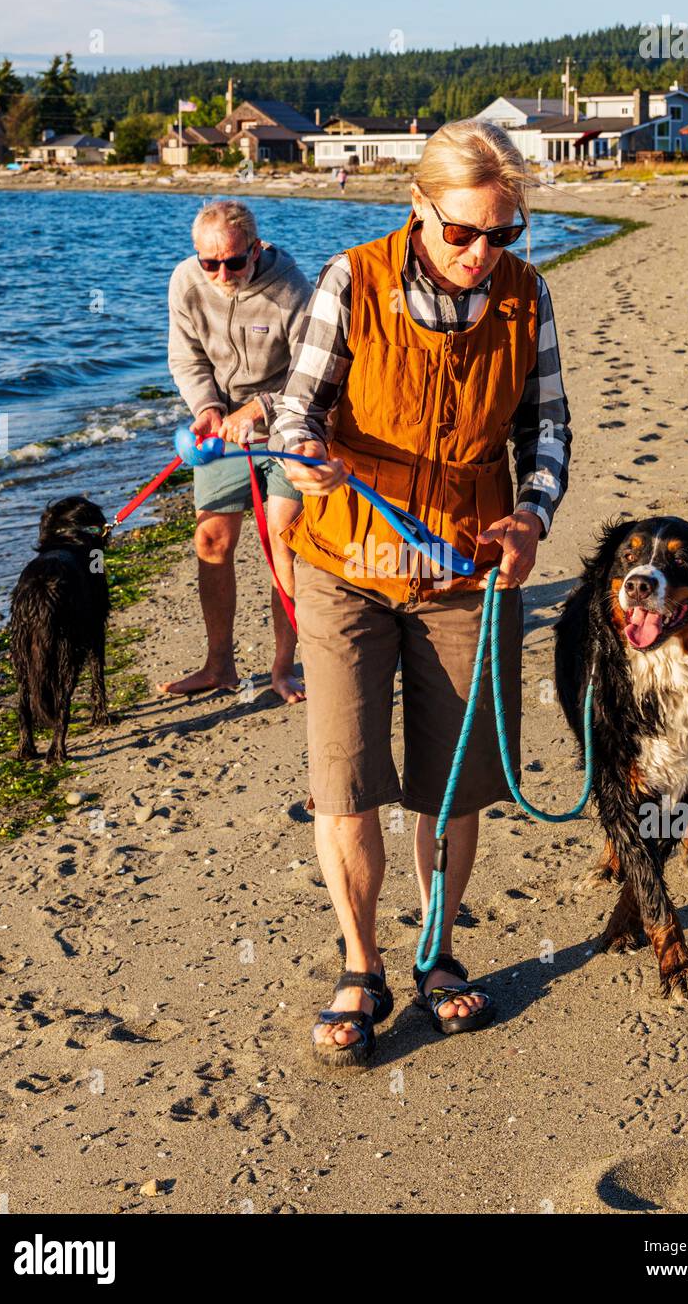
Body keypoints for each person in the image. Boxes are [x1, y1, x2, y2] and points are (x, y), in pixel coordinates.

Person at [270, 118, 572, 1065]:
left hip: (465, 571)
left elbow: (548, 431)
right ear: (418, 208)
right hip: (346, 567)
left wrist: (530, 517)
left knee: (452, 787)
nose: (483, 254)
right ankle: (362, 966)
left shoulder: (527, 298)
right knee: (346, 781)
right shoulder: (348, 282)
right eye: (463, 233)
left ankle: (438, 952)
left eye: (503, 235)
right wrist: (304, 458)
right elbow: (294, 416)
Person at [161, 199, 312, 703]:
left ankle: (283, 668)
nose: (222, 273)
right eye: (210, 263)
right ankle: (218, 666)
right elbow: (186, 358)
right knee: (211, 542)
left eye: (234, 261)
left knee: (282, 548)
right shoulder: (186, 283)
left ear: (256, 247)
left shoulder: (292, 288)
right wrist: (206, 408)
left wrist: (261, 409)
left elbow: (315, 374)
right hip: (222, 429)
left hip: (288, 425)